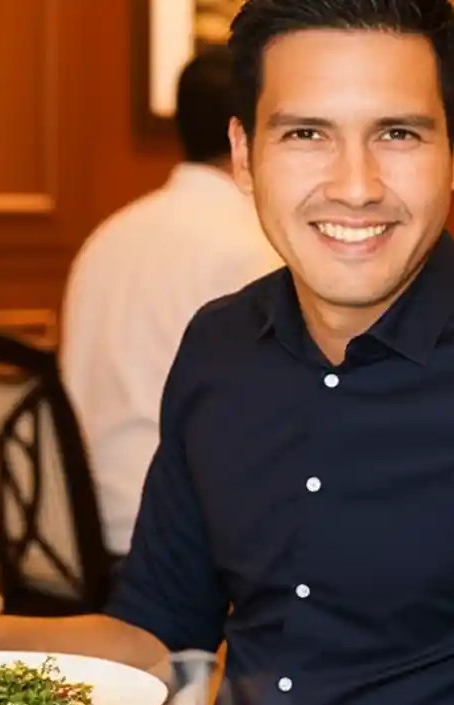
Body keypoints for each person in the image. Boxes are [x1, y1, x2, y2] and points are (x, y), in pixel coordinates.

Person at [0, 1, 454, 705]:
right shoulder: (220, 346)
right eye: (306, 134)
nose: (356, 184)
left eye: (398, 133)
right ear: (243, 155)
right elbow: (158, 636)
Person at [60, 46, 282, 557]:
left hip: (80, 538)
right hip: (174, 555)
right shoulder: (253, 247)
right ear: (247, 136)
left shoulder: (109, 234)